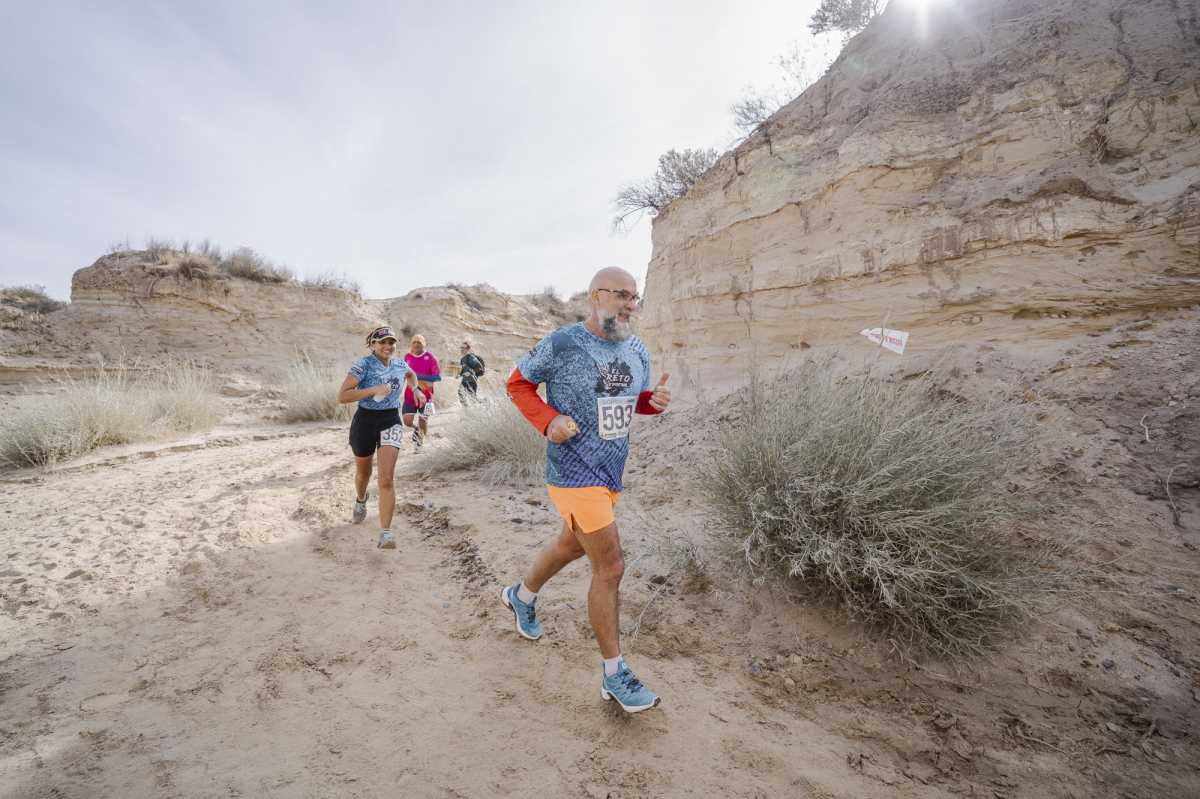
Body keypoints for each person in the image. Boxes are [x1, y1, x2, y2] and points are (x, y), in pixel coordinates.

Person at [502, 267, 671, 713]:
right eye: (622, 296)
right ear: (597, 296)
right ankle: (615, 674)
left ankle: (521, 596)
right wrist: (547, 420)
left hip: (611, 471)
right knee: (610, 567)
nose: (631, 305)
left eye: (636, 298)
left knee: (571, 545)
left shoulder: (636, 349)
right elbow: (517, 384)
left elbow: (627, 400)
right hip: (574, 471)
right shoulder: (562, 343)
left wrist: (649, 404)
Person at [337, 325, 425, 549]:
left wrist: (415, 390)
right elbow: (343, 395)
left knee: (386, 478)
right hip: (365, 421)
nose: (388, 346)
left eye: (391, 342)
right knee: (363, 473)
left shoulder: (399, 363)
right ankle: (360, 499)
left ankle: (386, 533)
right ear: (373, 344)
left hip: (390, 420)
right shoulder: (362, 365)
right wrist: (373, 390)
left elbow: (411, 374)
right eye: (382, 342)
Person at [402, 335, 441, 450]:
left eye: (419, 342)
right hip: (409, 395)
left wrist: (416, 376)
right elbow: (403, 375)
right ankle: (416, 429)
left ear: (424, 343)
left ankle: (419, 444)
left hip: (427, 396)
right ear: (410, 344)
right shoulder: (407, 357)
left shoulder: (431, 357)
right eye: (413, 342)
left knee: (424, 420)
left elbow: (437, 377)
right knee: (407, 421)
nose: (416, 344)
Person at [458, 340, 486, 404]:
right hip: (464, 380)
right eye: (461, 348)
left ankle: (483, 403)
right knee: (460, 393)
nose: (461, 349)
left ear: (468, 349)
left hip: (472, 381)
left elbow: (479, 367)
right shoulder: (462, 359)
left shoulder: (470, 357)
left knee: (472, 398)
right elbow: (464, 369)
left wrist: (470, 372)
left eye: (463, 348)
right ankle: (466, 409)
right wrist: (460, 374)